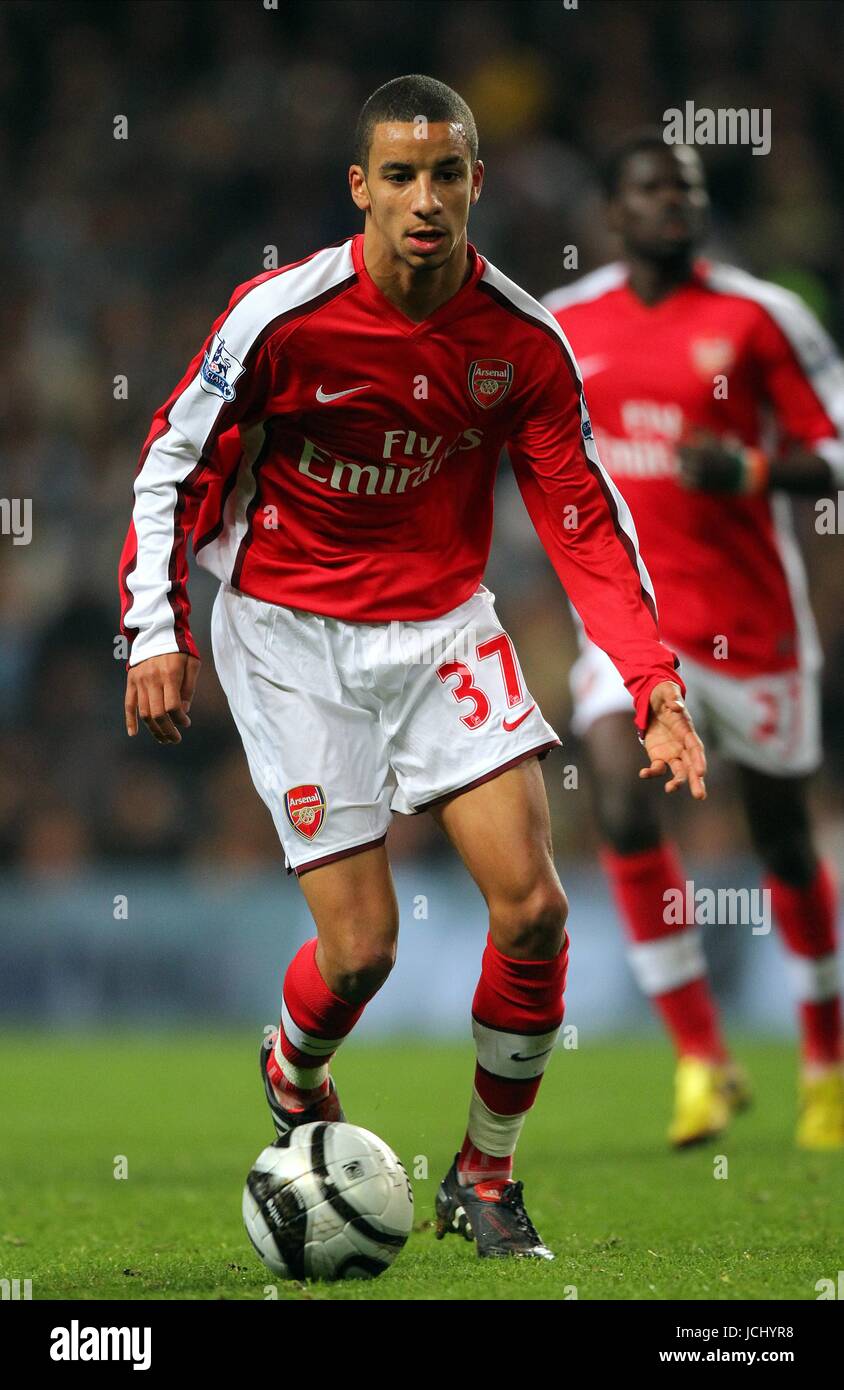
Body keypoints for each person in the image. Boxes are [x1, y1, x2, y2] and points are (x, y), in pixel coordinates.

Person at [119, 80, 706, 1261]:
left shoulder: (521, 341)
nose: (424, 199)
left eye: (446, 174)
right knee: (362, 952)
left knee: (534, 909)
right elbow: (174, 460)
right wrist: (156, 626)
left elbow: (582, 512)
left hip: (442, 626)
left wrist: (652, 679)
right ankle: (293, 1067)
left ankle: (484, 1177)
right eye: (399, 176)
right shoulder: (281, 317)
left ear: (475, 184)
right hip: (288, 631)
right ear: (361, 189)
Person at [544, 132, 844, 1150]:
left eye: (688, 188)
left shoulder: (762, 315)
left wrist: (755, 473)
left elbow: (834, 448)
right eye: (649, 189)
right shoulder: (565, 326)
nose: (673, 202)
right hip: (634, 631)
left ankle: (824, 1063)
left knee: (782, 842)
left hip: (754, 631)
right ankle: (701, 1060)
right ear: (611, 212)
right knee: (619, 806)